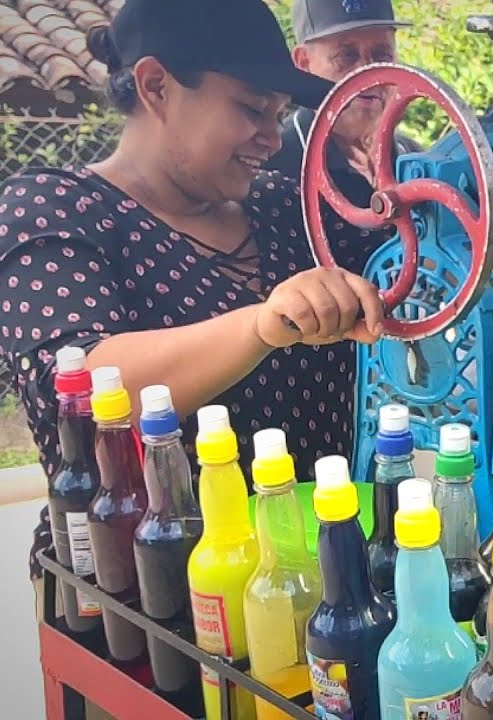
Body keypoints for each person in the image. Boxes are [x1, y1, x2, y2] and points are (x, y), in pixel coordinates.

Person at [1, 0, 393, 580]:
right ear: (157, 87)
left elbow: (412, 280)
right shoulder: (53, 210)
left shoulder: (290, 207)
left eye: (280, 114)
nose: (271, 137)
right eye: (252, 109)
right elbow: (81, 388)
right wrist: (261, 325)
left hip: (312, 573)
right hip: (139, 592)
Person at [262, 0, 423, 208]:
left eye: (381, 55)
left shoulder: (413, 157)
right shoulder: (271, 164)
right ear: (303, 63)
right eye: (347, 56)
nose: (367, 71)